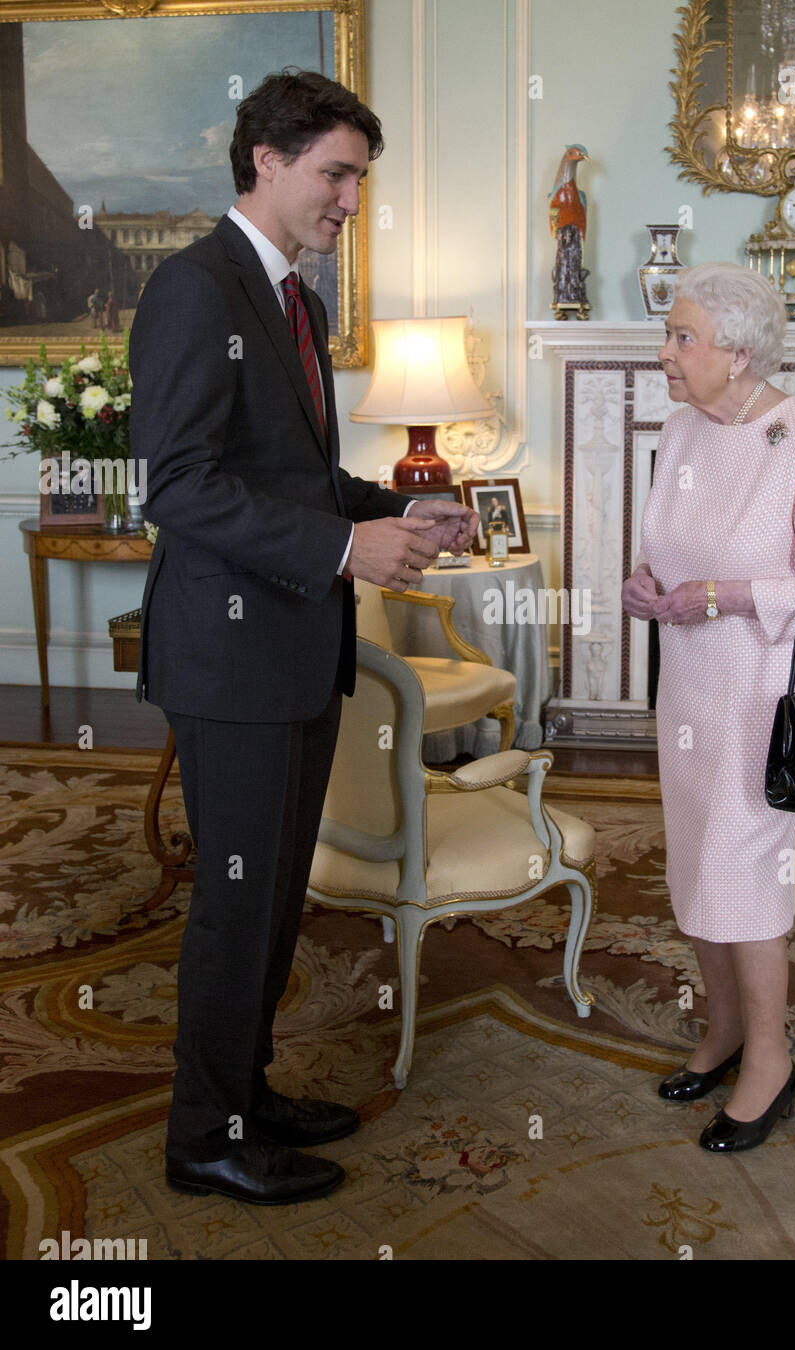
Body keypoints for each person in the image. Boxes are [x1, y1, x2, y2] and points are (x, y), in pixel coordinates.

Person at [129, 69, 477, 1207]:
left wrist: (388, 512)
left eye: (359, 179)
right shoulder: (195, 289)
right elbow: (180, 488)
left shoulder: (297, 303)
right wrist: (341, 555)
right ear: (265, 161)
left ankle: (248, 1092)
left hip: (289, 655)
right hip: (231, 662)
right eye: (335, 173)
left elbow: (296, 475)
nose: (349, 201)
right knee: (238, 900)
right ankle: (203, 1141)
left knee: (277, 894)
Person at [621, 262, 795, 1153]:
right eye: (669, 335)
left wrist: (721, 595)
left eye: (681, 338)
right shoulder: (683, 428)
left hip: (765, 694)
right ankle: (723, 1032)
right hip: (687, 682)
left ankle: (770, 1059)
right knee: (696, 864)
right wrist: (650, 586)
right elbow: (668, 547)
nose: (665, 354)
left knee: (744, 872)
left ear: (738, 352)